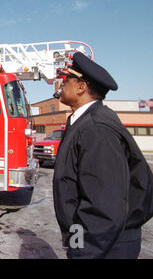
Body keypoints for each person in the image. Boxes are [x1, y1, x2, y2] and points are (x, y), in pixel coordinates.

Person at [52, 52, 153, 259]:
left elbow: (104, 206)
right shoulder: (84, 122)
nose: (60, 83)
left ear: (81, 87)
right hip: (95, 239)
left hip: (105, 245)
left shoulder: (96, 129)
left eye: (66, 79)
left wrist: (81, 252)